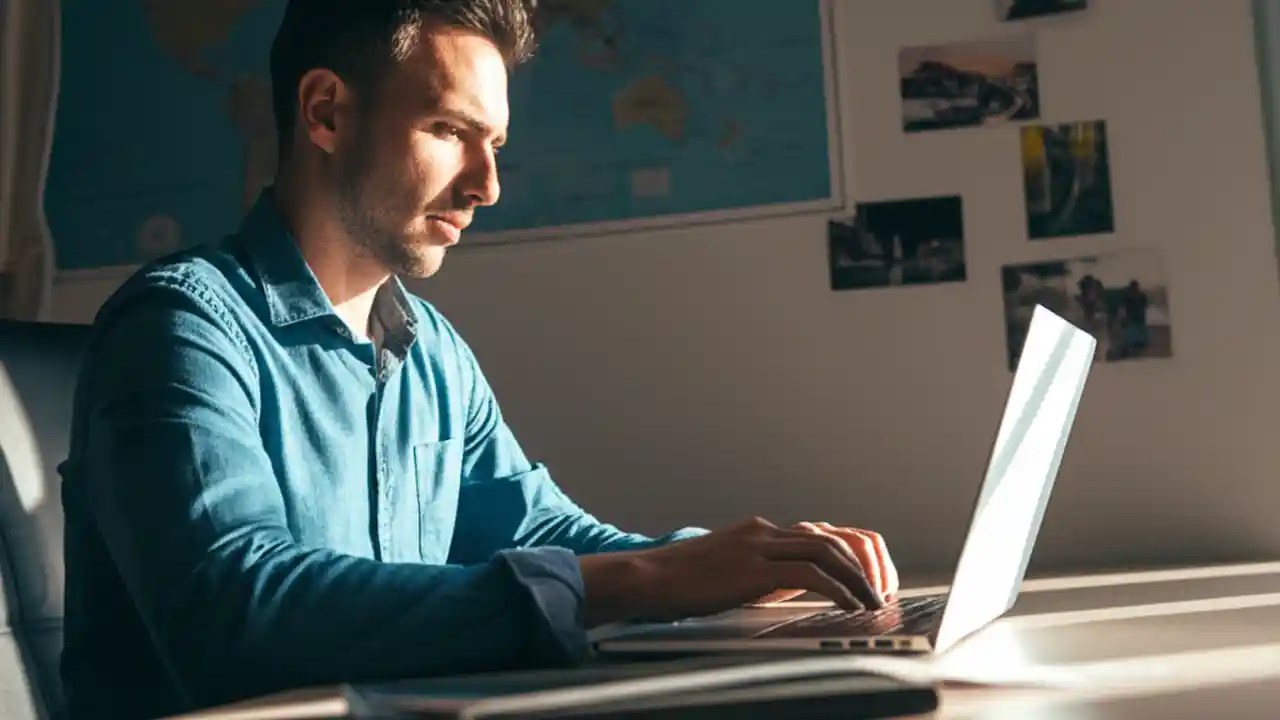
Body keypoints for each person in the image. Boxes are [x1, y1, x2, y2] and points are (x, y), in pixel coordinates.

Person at [57, 2, 899, 718]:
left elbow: (545, 535)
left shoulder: (432, 354)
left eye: (493, 141)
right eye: (452, 131)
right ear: (325, 113)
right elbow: (233, 611)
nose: (487, 184)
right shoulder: (181, 325)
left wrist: (739, 568)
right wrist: (653, 574)